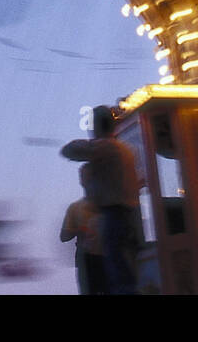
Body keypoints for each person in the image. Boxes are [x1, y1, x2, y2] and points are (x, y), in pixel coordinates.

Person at [60, 105, 140, 294]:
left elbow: (70, 150)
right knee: (122, 266)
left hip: (115, 214)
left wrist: (92, 144)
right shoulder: (125, 150)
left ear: (96, 127)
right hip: (128, 215)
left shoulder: (106, 147)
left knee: (118, 270)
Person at [60, 165, 106, 294]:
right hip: (86, 260)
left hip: (108, 256)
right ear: (81, 181)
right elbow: (63, 236)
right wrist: (78, 230)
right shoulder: (75, 208)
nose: (86, 180)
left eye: (90, 176)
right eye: (84, 177)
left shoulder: (110, 206)